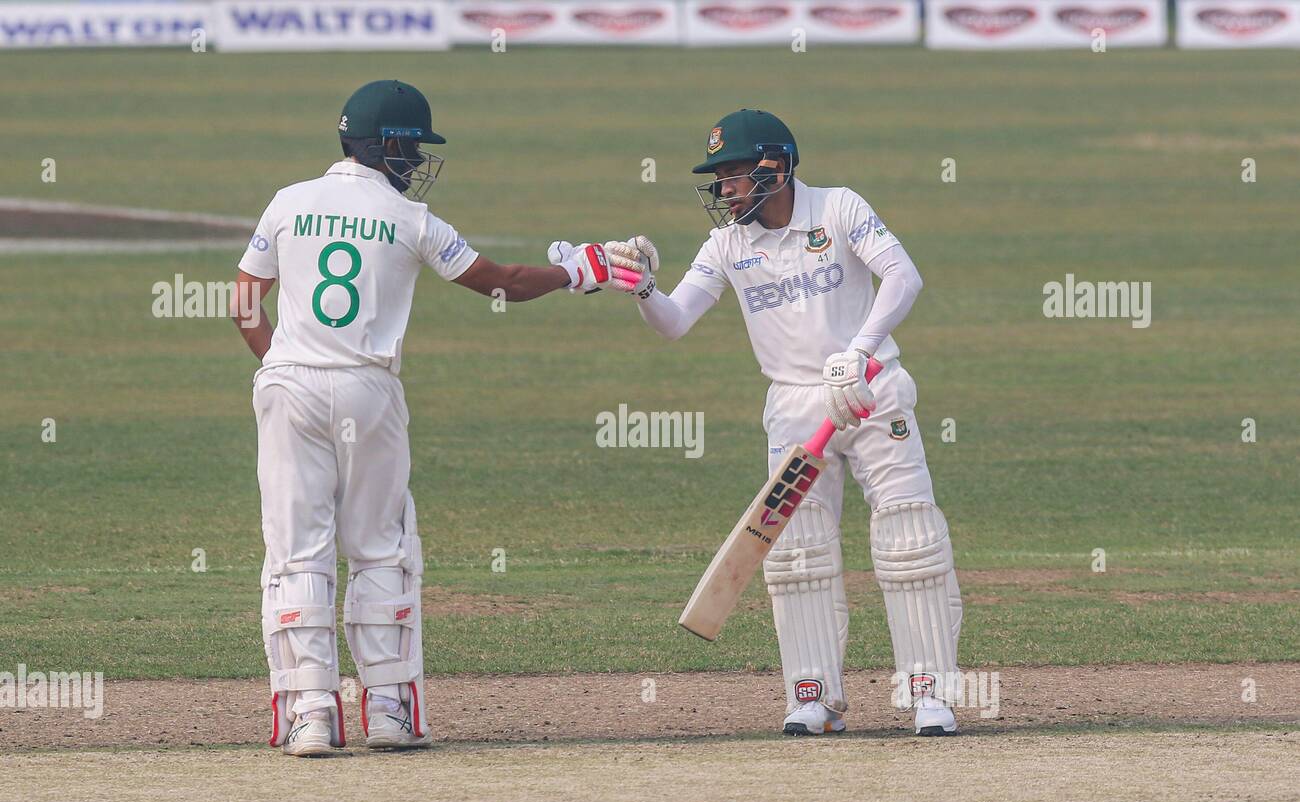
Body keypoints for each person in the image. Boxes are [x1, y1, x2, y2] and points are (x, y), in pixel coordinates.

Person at [229, 79, 628, 756]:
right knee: (380, 546)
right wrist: (579, 269)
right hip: (368, 389)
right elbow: (503, 282)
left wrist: (278, 368)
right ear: (385, 146)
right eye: (411, 146)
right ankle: (387, 710)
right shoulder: (409, 220)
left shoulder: (287, 202)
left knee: (298, 550)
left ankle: (311, 715)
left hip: (289, 387)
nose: (417, 160)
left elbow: (242, 303)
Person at [603, 109, 963, 736]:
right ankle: (813, 696)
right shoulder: (726, 244)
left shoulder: (840, 207)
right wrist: (641, 289)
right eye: (720, 179)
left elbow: (904, 276)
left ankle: (928, 692)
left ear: (777, 166)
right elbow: (675, 321)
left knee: (910, 541)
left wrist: (860, 352)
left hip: (871, 388)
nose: (725, 191)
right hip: (796, 407)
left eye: (735, 176)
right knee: (797, 554)